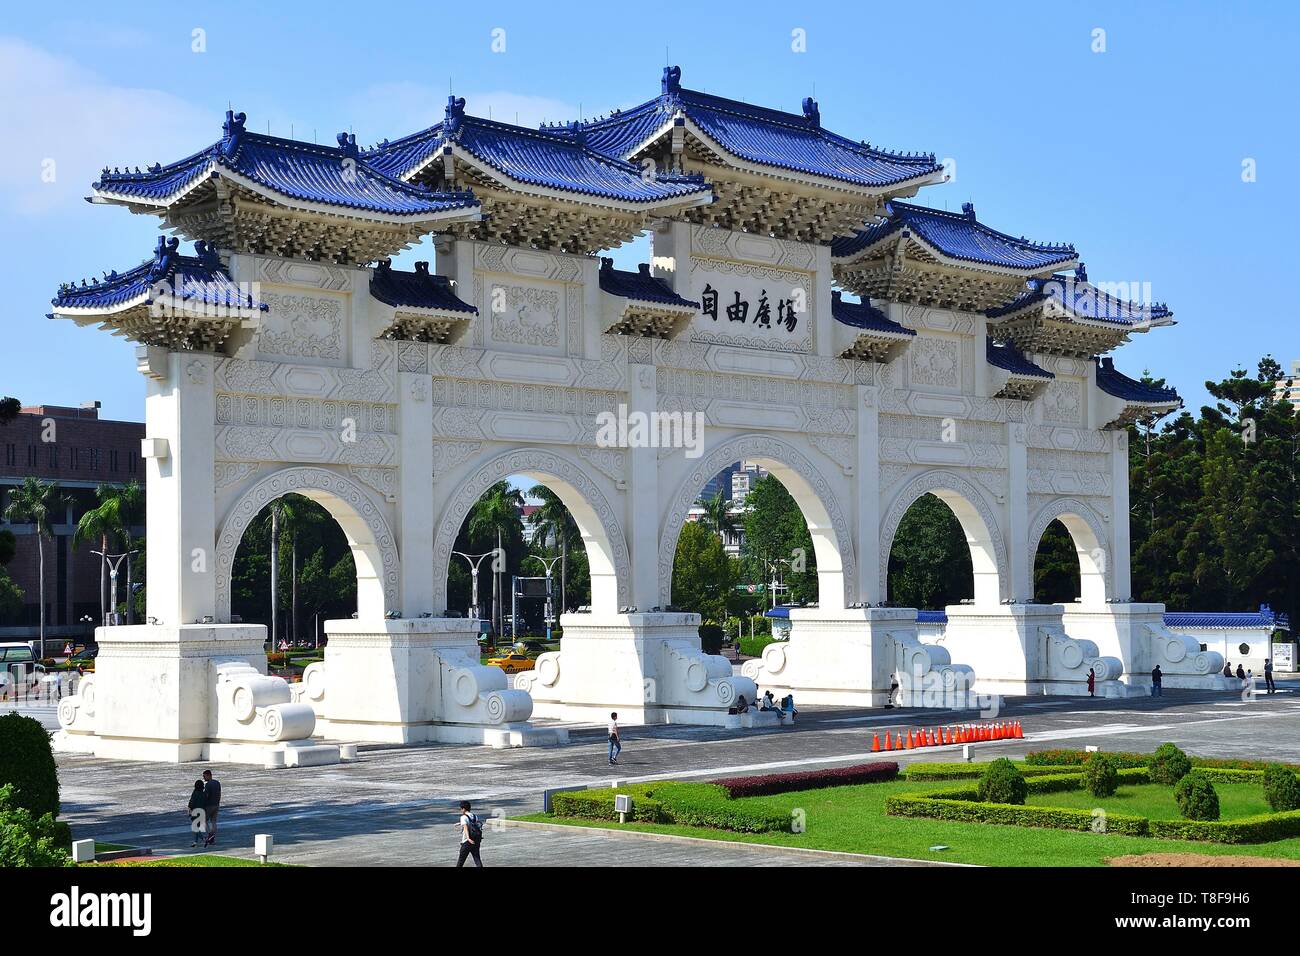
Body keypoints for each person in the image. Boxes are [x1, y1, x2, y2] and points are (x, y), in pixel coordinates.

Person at [456, 800, 483, 867]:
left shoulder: (463, 817)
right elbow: (473, 824)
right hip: (476, 841)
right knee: (477, 859)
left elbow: (465, 828)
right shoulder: (474, 816)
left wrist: (468, 838)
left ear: (464, 809)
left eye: (461, 809)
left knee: (461, 861)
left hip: (467, 842)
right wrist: (460, 823)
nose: (461, 810)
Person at [201, 770, 221, 846]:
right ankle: (212, 836)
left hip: (209, 805)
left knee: (204, 820)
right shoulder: (217, 783)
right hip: (216, 804)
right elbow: (219, 793)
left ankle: (210, 835)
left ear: (209, 775)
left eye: (204, 776)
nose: (203, 778)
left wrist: (203, 804)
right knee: (214, 821)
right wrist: (218, 802)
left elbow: (206, 796)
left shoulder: (208, 785)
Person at [186, 780, 206, 847]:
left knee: (195, 828)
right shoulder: (203, 793)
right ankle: (198, 841)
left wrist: (189, 810)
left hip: (195, 811)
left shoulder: (195, 793)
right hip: (202, 812)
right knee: (196, 827)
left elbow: (192, 802)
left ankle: (200, 840)